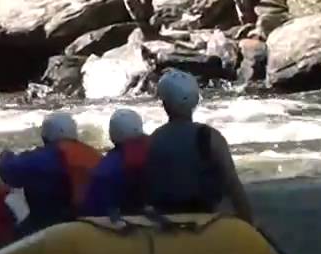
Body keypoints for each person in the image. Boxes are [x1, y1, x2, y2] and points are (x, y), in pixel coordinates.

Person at [144, 70, 254, 223]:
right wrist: (249, 222)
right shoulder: (210, 137)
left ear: (165, 104)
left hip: (166, 222)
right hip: (205, 220)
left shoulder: (153, 139)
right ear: (195, 101)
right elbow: (233, 185)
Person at [0, 112, 102, 235]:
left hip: (48, 229)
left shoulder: (39, 158)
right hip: (92, 226)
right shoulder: (94, 155)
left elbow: (8, 173)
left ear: (46, 135)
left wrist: (5, 154)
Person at [82, 108, 151, 218]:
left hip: (123, 226)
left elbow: (93, 211)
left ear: (112, 134)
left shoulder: (104, 169)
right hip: (160, 222)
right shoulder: (159, 152)